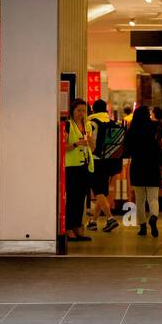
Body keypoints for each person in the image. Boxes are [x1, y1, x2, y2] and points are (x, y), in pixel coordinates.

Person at [126, 106, 162, 237]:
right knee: (153, 198)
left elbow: (127, 150)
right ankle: (153, 217)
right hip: (152, 166)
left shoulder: (132, 129)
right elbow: (158, 146)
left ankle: (142, 227)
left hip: (137, 166)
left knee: (140, 199)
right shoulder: (154, 127)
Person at [86, 99, 120, 232]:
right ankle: (93, 221)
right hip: (109, 161)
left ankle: (110, 218)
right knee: (102, 192)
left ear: (93, 110)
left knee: (98, 191)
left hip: (96, 161)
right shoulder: (111, 122)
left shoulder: (92, 123)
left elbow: (90, 141)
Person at [63, 99, 94, 242]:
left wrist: (91, 141)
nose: (81, 113)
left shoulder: (87, 125)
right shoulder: (68, 125)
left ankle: (77, 227)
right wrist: (76, 143)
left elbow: (92, 148)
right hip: (72, 166)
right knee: (72, 199)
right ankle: (68, 228)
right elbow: (63, 146)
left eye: (84, 110)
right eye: (78, 110)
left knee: (81, 199)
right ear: (72, 111)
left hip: (86, 165)